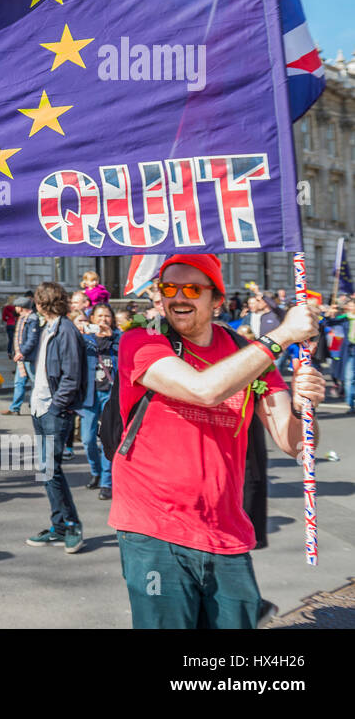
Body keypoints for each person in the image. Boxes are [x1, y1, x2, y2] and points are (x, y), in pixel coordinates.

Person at [111, 254, 322, 629]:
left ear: (217, 300)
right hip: (155, 528)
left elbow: (296, 443)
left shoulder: (249, 356)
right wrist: (282, 336)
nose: (178, 297)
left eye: (192, 289)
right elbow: (203, 390)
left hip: (226, 531)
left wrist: (307, 406)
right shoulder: (141, 340)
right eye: (168, 288)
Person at [24, 281, 87, 553]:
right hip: (40, 407)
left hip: (53, 410)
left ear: (42, 303)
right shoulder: (47, 327)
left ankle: (71, 525)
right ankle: (59, 525)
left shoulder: (66, 330)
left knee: (50, 469)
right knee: (46, 470)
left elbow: (72, 376)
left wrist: (56, 407)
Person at [81, 303, 118, 500]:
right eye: (99, 316)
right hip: (89, 394)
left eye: (107, 316)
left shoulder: (118, 338)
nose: (103, 320)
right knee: (87, 439)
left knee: (107, 439)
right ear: (92, 319)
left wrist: (111, 336)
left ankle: (106, 481)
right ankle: (95, 471)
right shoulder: (86, 339)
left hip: (110, 394)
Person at [5, 297, 41, 415]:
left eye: (16, 306)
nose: (15, 308)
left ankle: (36, 407)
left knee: (35, 382)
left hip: (29, 358)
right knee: (19, 383)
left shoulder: (32, 319)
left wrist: (22, 352)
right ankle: (15, 408)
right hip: (22, 358)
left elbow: (32, 340)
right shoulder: (22, 319)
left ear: (20, 307)